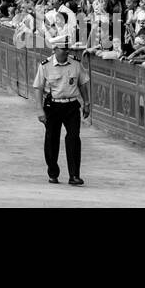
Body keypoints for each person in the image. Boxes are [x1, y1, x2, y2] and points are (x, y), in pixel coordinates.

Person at [33, 34, 90, 186]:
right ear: (55, 49)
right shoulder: (45, 65)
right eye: (64, 49)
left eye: (68, 48)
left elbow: (83, 83)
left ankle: (74, 175)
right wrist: (39, 110)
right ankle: (53, 172)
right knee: (52, 139)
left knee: (73, 138)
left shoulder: (76, 64)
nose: (67, 51)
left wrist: (87, 103)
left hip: (71, 105)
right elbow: (38, 88)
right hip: (53, 106)